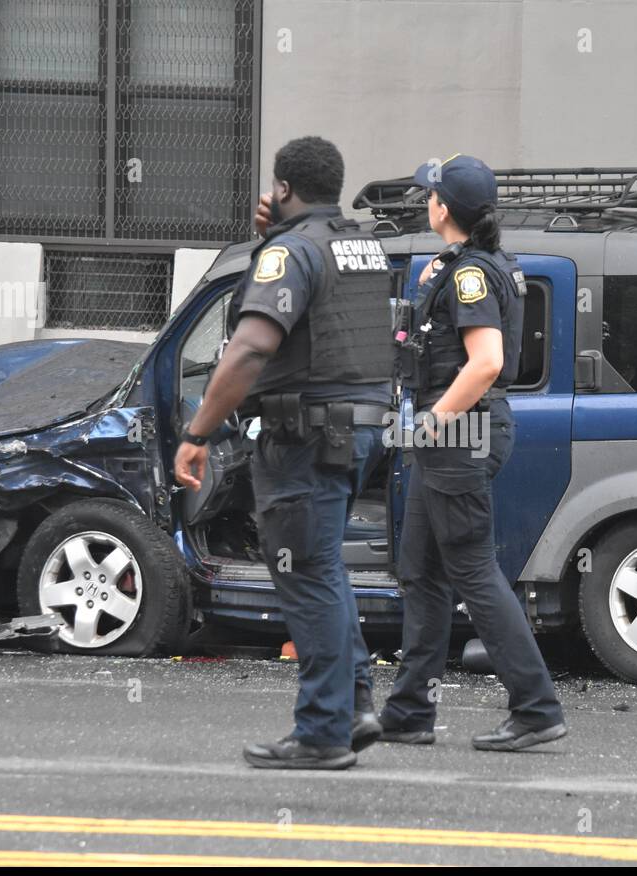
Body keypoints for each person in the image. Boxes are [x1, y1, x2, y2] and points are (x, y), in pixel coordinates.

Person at [174, 136, 393, 770]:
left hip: (303, 438)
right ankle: (352, 706)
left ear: (284, 188)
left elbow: (249, 349)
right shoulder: (358, 246)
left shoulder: (289, 253)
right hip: (352, 434)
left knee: (305, 576)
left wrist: (196, 435)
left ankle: (323, 733)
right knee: (323, 570)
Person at [379, 154, 567, 751]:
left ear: (444, 208)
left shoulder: (471, 276)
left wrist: (435, 420)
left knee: (473, 572)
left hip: (458, 433)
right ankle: (410, 711)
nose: (422, 202)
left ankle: (536, 709)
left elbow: (485, 362)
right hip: (447, 437)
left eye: (428, 194)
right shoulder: (460, 266)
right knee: (422, 574)